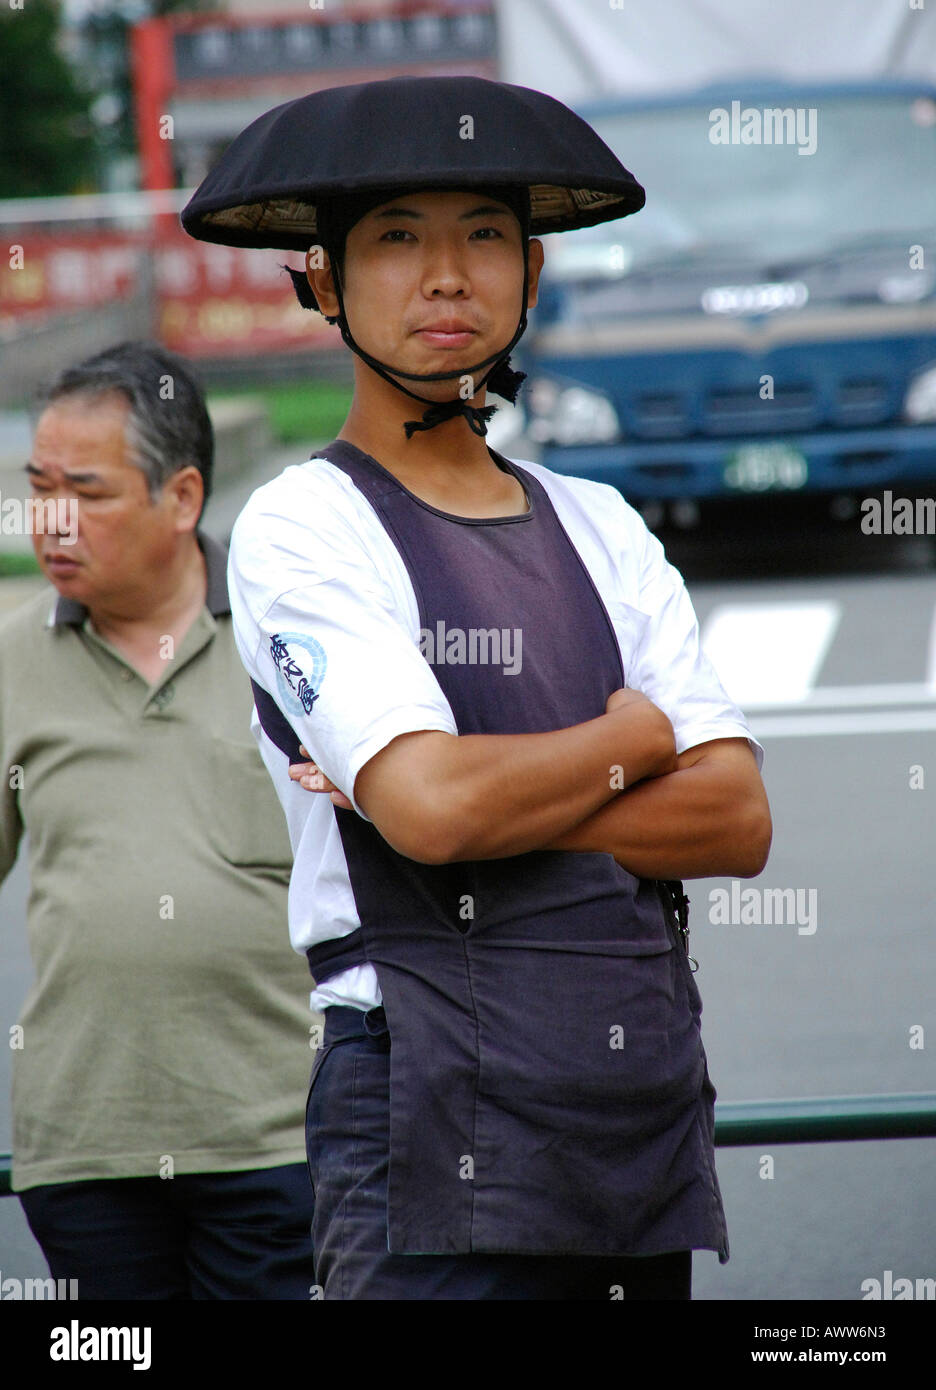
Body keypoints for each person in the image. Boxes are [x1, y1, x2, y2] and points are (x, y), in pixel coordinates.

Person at [182, 75, 772, 1301]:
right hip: (421, 1098)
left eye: (485, 237)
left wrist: (479, 785)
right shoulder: (305, 525)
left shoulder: (599, 520)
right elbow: (435, 817)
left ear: (533, 276)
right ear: (324, 282)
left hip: (631, 1104)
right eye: (398, 236)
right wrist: (633, 736)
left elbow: (735, 821)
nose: (447, 275)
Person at [0, 341, 318, 1299]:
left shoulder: (291, 645)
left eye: (87, 493)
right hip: (84, 1160)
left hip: (279, 1142)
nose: (50, 520)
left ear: (181, 499)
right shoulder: (9, 658)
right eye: (36, 487)